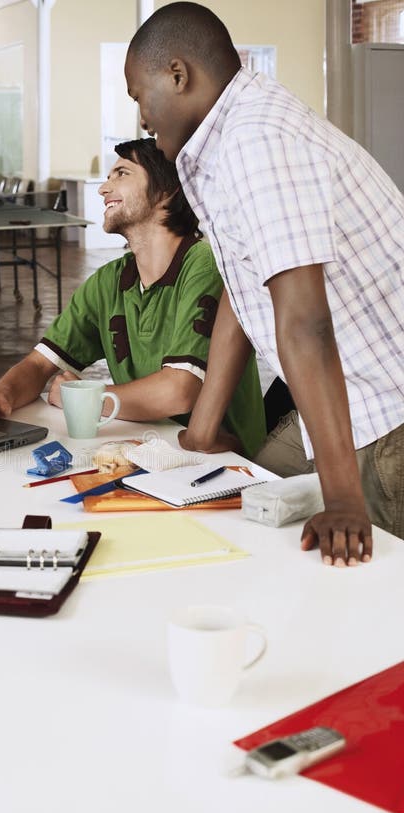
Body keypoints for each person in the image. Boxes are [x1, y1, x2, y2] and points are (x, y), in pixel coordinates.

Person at [125, 2, 404, 566]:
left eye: (140, 96)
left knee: (368, 603)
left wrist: (343, 498)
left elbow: (306, 320)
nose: (143, 120)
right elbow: (244, 282)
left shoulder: (256, 139)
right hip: (348, 400)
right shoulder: (228, 138)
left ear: (178, 75)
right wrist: (202, 430)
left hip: (388, 412)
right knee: (250, 520)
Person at [0, 138, 266, 458]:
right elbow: (39, 364)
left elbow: (179, 391)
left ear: (167, 191)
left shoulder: (204, 264)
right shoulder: (109, 281)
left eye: (122, 174)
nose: (103, 189)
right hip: (152, 454)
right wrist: (3, 393)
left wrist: (86, 398)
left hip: (222, 464)